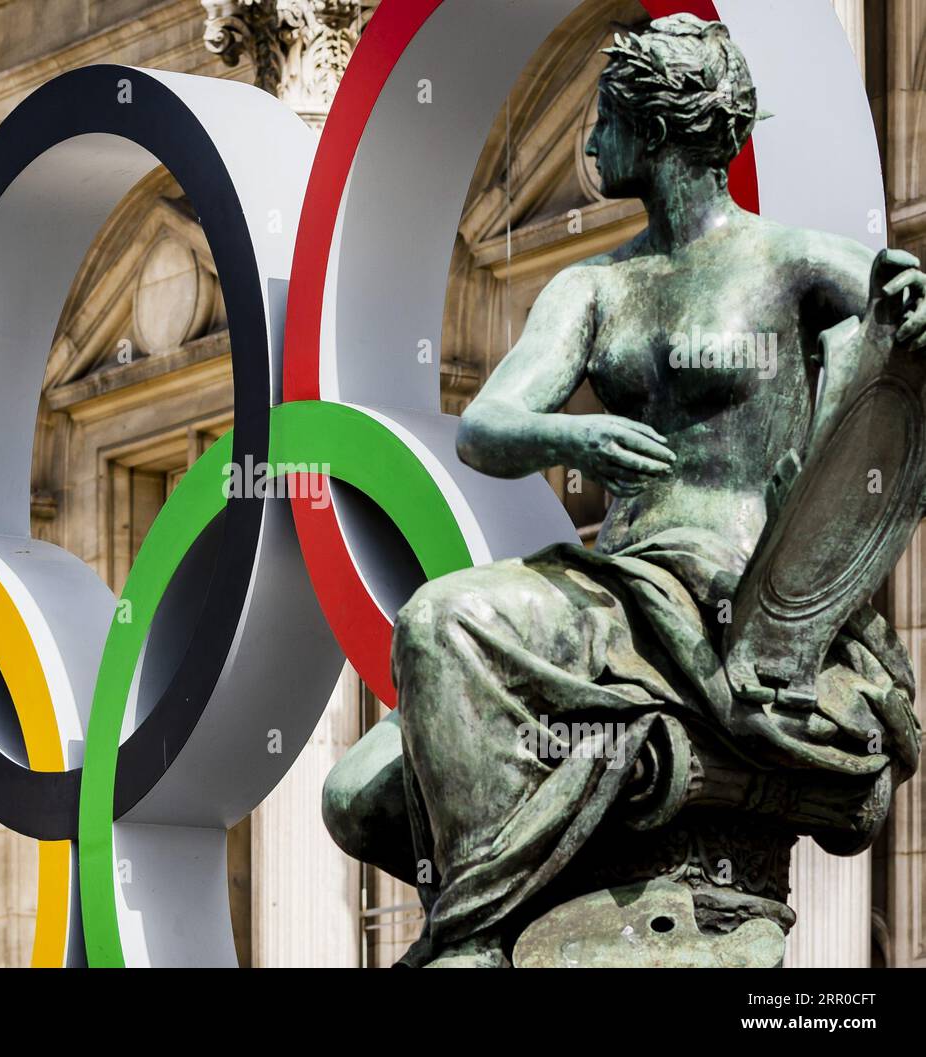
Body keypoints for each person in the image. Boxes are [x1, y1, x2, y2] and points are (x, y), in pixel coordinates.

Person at [322, 13, 925, 967]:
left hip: (734, 589)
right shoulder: (594, 289)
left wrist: (911, 305)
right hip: (619, 586)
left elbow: (901, 320)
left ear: (660, 128)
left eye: (607, 119)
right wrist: (570, 432)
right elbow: (485, 426)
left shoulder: (789, 261)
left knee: (439, 622)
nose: (592, 143)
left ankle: (472, 940)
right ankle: (539, 888)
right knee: (359, 792)